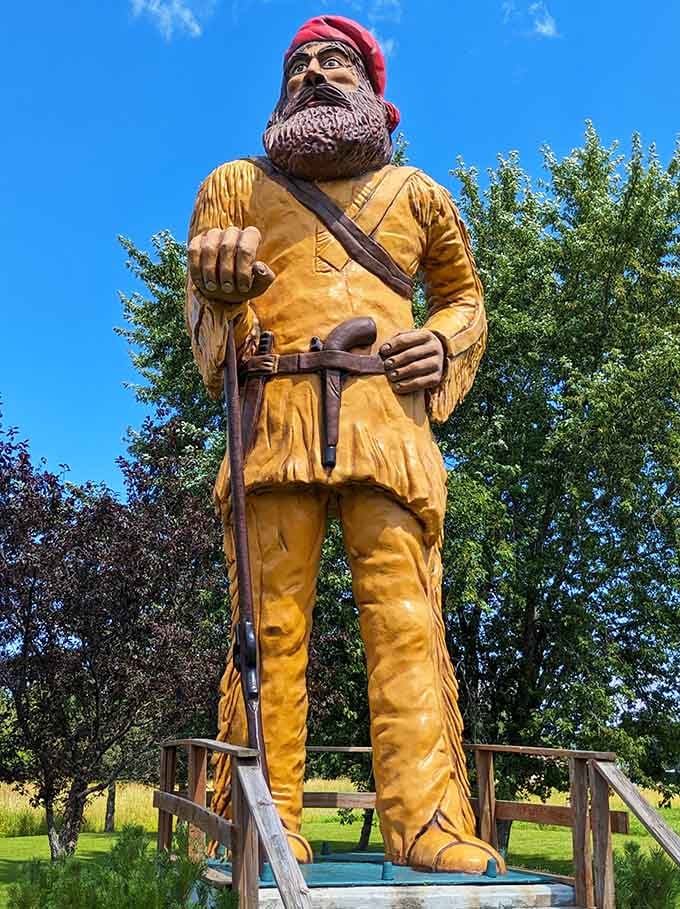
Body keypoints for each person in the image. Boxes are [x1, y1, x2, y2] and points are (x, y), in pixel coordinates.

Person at [185, 14, 505, 874]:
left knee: (405, 624)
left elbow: (467, 302)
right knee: (270, 628)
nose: (314, 75)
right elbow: (202, 318)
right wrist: (217, 295)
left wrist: (443, 342)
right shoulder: (233, 187)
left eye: (335, 63)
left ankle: (428, 818)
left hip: (385, 428)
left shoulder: (421, 196)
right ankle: (262, 812)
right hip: (274, 425)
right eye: (299, 65)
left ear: (373, 91)